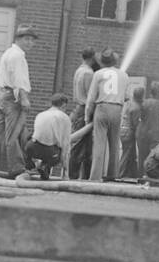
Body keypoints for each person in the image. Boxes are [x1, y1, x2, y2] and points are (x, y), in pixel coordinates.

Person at [0, 23, 37, 177]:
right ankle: (17, 168)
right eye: (27, 39)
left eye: (32, 40)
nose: (30, 43)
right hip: (13, 97)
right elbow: (18, 79)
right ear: (18, 39)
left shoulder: (8, 53)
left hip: (2, 96)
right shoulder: (18, 56)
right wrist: (24, 98)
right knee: (13, 134)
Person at [85, 48, 128, 181]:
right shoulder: (124, 75)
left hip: (102, 107)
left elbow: (91, 97)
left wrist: (88, 116)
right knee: (114, 144)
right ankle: (112, 175)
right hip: (117, 108)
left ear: (102, 61)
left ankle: (95, 177)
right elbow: (126, 96)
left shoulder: (98, 74)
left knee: (99, 144)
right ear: (115, 61)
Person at [23, 92, 72, 180]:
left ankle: (30, 166)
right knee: (58, 151)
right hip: (50, 152)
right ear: (64, 105)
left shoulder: (40, 114)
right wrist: (65, 173)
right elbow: (66, 145)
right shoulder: (65, 118)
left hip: (32, 147)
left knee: (31, 140)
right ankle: (45, 166)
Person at [69, 48, 99, 179]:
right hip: (85, 109)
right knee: (82, 145)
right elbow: (90, 96)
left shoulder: (79, 70)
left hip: (78, 108)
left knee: (79, 145)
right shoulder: (89, 73)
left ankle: (75, 176)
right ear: (92, 58)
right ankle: (77, 176)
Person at [135, 81, 159, 177]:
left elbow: (141, 117)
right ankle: (149, 176)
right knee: (153, 157)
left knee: (141, 156)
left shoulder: (144, 102)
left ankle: (140, 176)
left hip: (142, 132)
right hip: (155, 134)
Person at [117, 85, 145, 178]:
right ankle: (119, 174)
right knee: (127, 154)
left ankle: (133, 174)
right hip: (129, 132)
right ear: (141, 96)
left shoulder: (129, 103)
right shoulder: (136, 108)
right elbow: (135, 123)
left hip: (123, 130)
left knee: (131, 153)